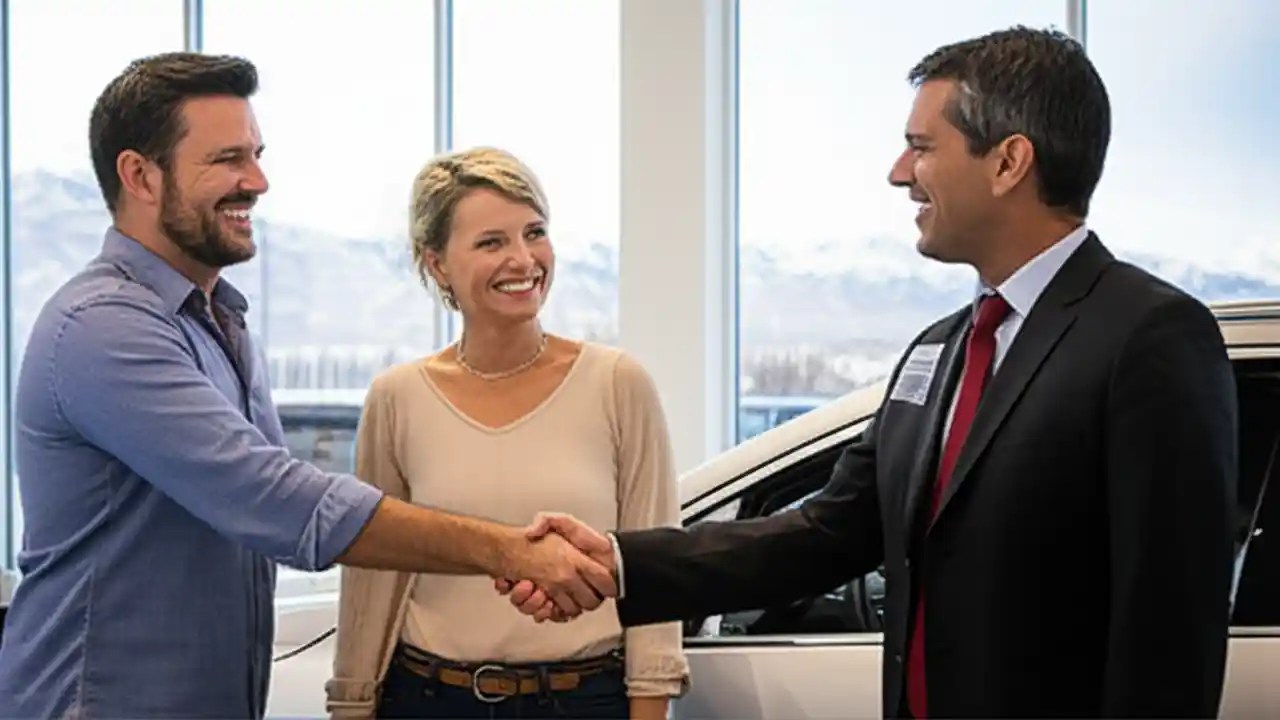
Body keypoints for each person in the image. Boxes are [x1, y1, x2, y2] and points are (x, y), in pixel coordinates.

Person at [500, 26, 1238, 719]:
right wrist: (618, 561)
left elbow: (1169, 626)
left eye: (921, 146)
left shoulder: (1148, 336)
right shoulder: (941, 348)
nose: (898, 174)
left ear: (1009, 161)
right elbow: (828, 533)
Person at [0, 53, 613, 720]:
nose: (257, 181)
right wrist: (510, 551)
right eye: (227, 159)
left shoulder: (218, 322)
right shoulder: (101, 329)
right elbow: (275, 501)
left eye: (257, 154)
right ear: (139, 175)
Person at [325, 147, 689, 719]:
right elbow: (373, 577)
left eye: (534, 233)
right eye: (492, 242)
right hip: (427, 699)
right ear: (438, 263)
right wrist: (351, 706)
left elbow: (657, 575)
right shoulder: (398, 397)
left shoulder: (618, 383)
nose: (524, 260)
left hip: (583, 700)